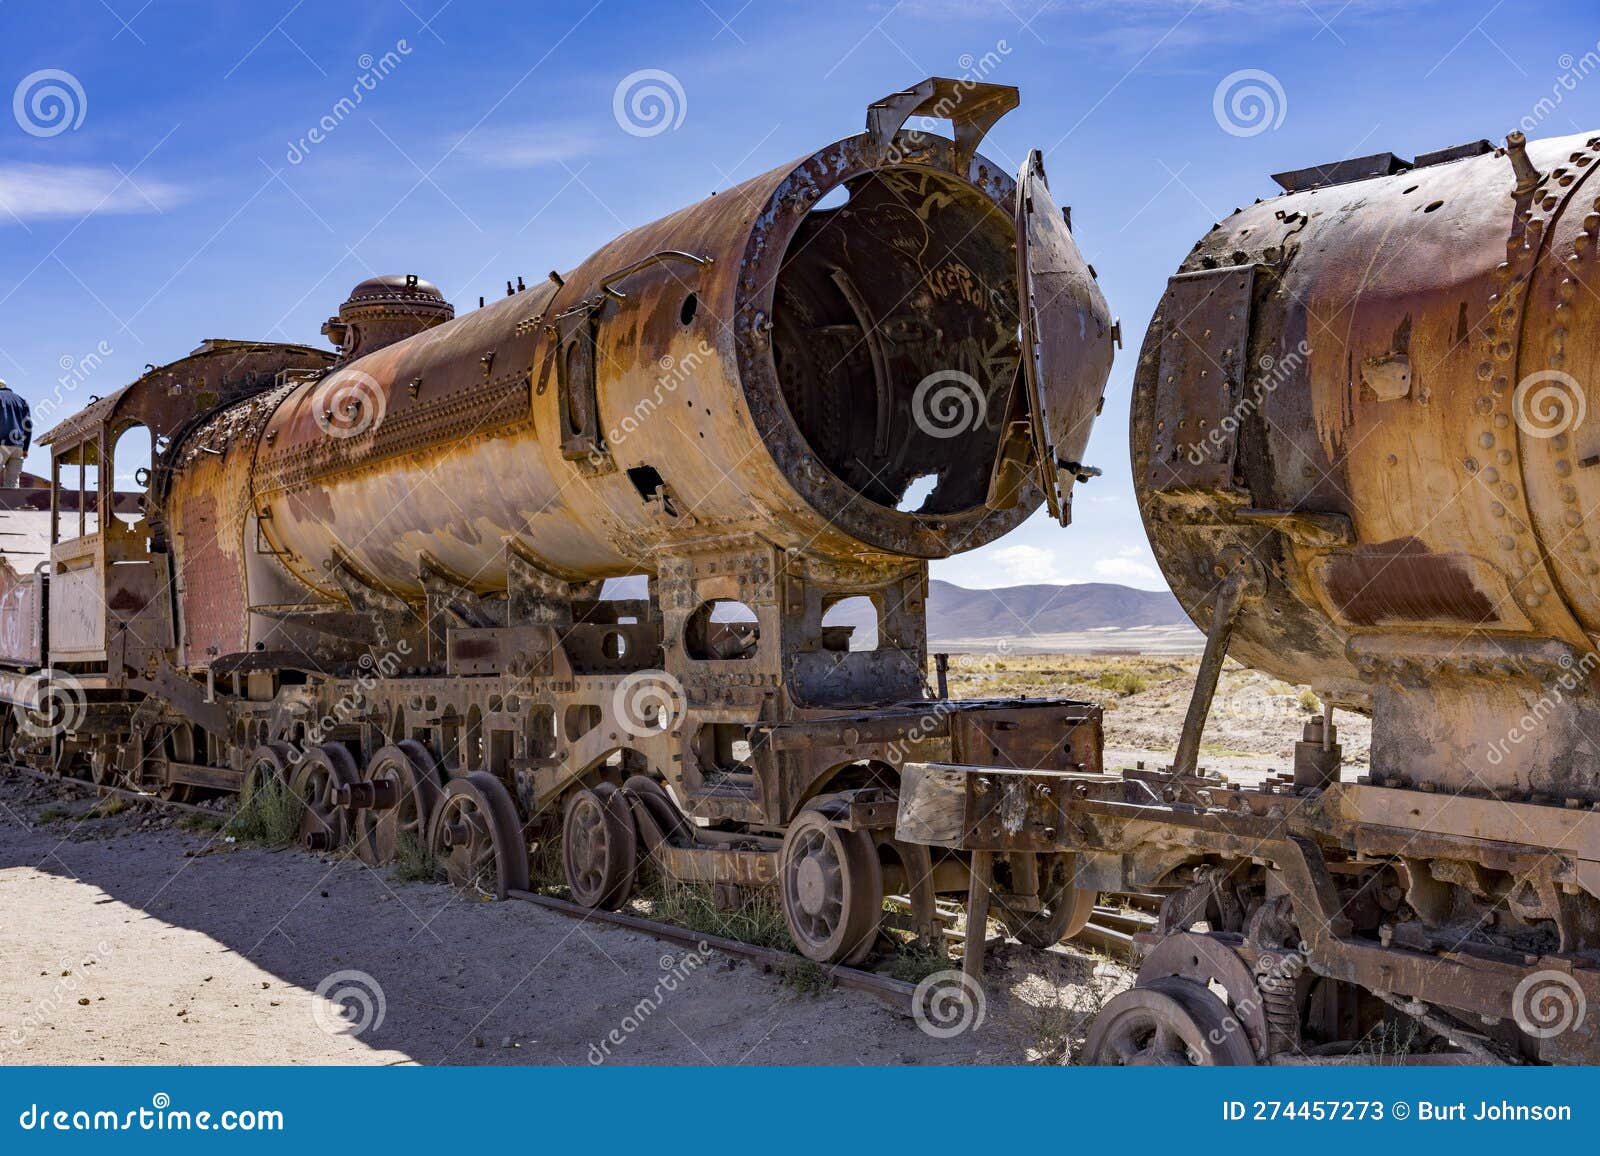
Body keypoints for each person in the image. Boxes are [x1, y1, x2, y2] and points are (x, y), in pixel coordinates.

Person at [0, 380, 29, 487]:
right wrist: (25, 448)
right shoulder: (21, 401)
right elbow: (28, 425)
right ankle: (12, 504)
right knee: (12, 483)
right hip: (18, 446)